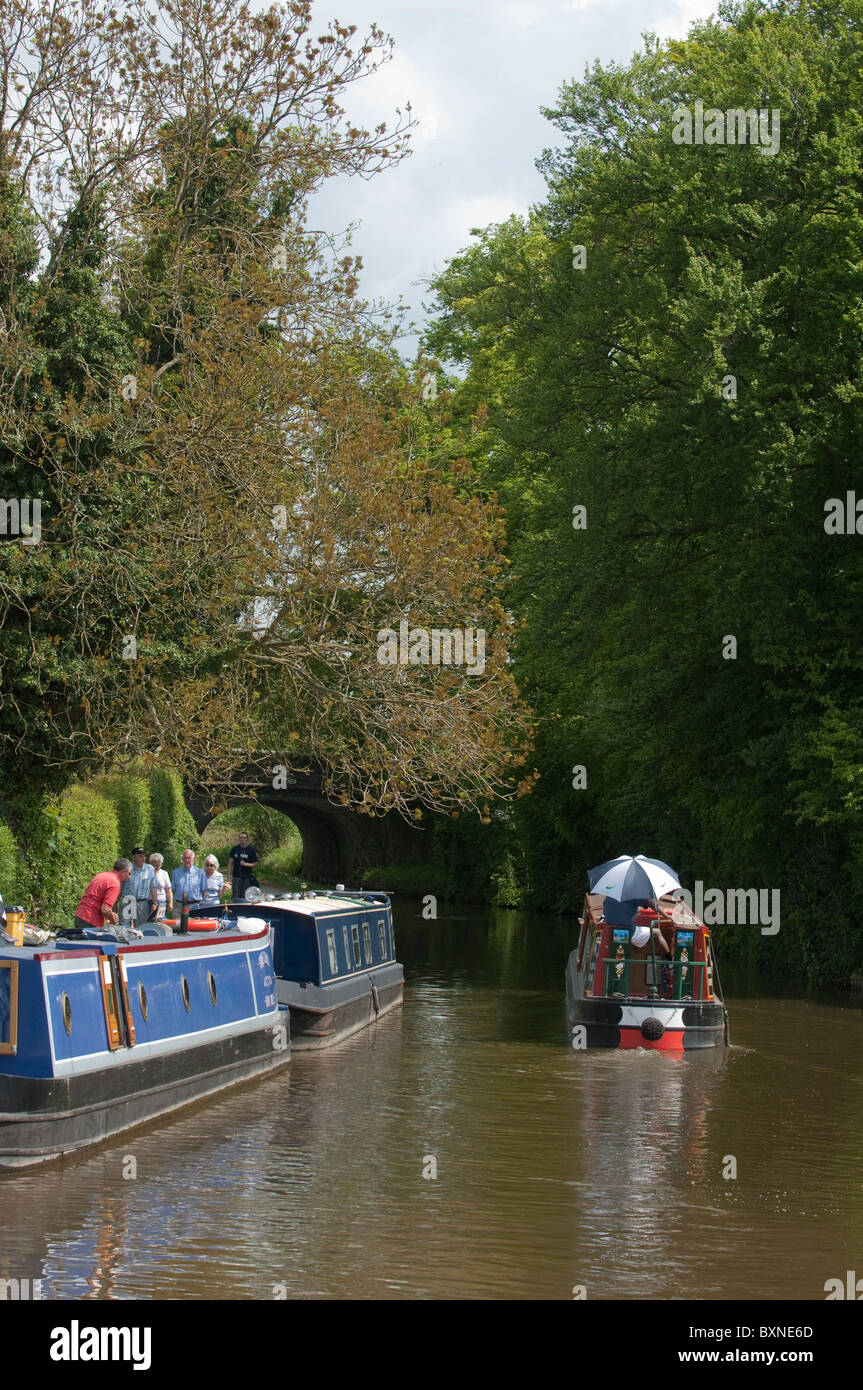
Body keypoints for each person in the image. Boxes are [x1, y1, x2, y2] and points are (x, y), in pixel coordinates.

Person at [75, 860, 133, 933]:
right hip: (91, 920)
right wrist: (113, 919)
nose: (129, 877)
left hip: (80, 914)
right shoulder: (115, 883)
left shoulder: (102, 875)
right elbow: (105, 909)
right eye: (129, 873)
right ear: (123, 872)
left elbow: (96, 898)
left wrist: (110, 914)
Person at [118, 846, 157, 928]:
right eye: (140, 856)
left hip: (142, 903)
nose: (143, 858)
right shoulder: (127, 868)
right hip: (127, 901)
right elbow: (120, 886)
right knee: (124, 927)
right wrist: (115, 902)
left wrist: (154, 903)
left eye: (144, 856)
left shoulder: (150, 869)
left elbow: (153, 887)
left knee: (141, 928)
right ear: (133, 857)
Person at [228, 831, 259, 899]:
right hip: (236, 877)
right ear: (239, 839)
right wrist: (228, 877)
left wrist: (246, 864)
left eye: (244, 838)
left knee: (245, 897)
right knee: (236, 897)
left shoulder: (251, 850)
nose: (242, 839)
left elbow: (256, 863)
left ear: (247, 839)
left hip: (247, 877)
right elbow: (230, 864)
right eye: (241, 837)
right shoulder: (234, 849)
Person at [150, 852, 173, 920]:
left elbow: (168, 889)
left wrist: (170, 902)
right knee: (149, 921)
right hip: (150, 900)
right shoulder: (148, 873)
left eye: (159, 865)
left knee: (161, 921)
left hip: (162, 901)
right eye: (155, 865)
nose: (157, 867)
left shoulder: (164, 873)